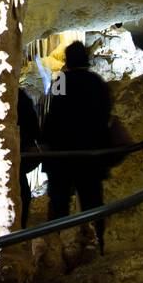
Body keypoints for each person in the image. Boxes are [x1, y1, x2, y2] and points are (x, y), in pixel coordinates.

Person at [40, 40, 113, 252]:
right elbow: (105, 115)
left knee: (60, 203)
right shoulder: (97, 82)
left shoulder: (62, 79)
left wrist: (45, 141)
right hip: (91, 155)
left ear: (68, 60)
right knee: (92, 202)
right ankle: (97, 243)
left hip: (63, 154)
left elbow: (53, 113)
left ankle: (58, 248)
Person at [0, 82, 43, 227]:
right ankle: (17, 227)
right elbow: (32, 121)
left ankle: (8, 226)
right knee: (20, 190)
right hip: (17, 151)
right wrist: (38, 139)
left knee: (7, 189)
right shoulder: (19, 95)